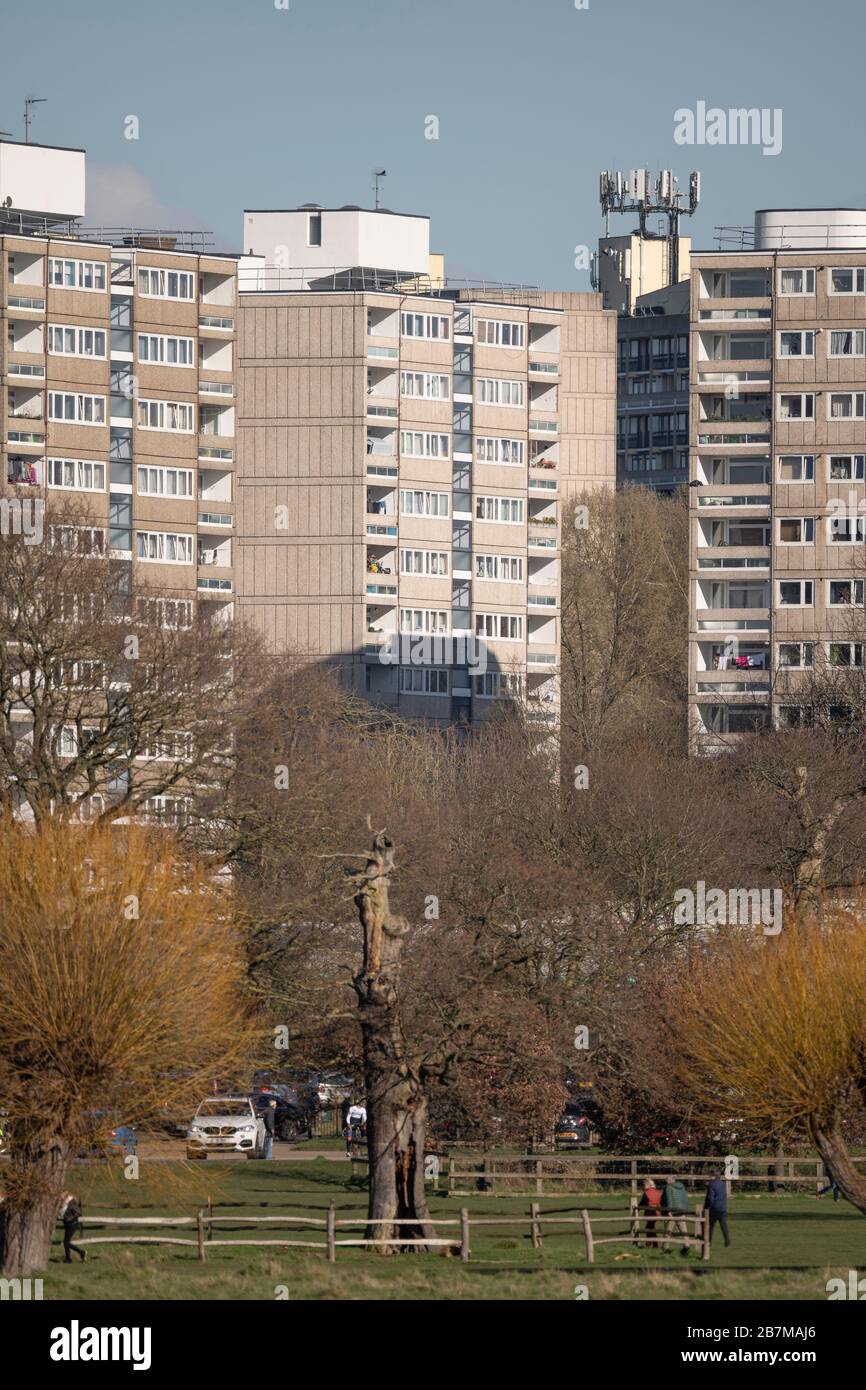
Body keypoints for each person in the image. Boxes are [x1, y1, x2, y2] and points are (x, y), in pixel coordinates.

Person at [661, 1174, 692, 1254]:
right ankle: (687, 1245)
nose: (666, 1182)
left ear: (669, 1181)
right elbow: (685, 1198)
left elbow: (669, 1199)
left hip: (672, 1212)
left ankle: (665, 1248)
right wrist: (685, 1209)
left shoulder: (668, 1187)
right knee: (684, 1230)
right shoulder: (682, 1187)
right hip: (681, 1211)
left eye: (666, 1181)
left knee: (668, 1230)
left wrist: (669, 1211)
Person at [703, 1171, 731, 1248]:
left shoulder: (711, 1185)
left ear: (714, 1176)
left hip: (714, 1209)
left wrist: (707, 1208)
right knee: (723, 1225)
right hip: (723, 1208)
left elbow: (710, 1198)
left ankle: (709, 1242)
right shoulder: (723, 1184)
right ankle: (727, 1240)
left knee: (710, 1226)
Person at [58, 1192, 86, 1263]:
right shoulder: (64, 1203)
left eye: (62, 1196)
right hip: (68, 1224)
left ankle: (80, 1253)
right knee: (66, 1242)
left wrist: (71, 1219)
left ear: (65, 1196)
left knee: (66, 1242)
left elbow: (78, 1212)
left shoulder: (71, 1202)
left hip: (72, 1224)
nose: (61, 1197)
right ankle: (69, 1258)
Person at [638, 1177, 663, 1247]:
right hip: (657, 1212)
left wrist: (637, 1209)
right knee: (650, 1227)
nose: (644, 1186)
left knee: (650, 1228)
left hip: (650, 1212)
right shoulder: (658, 1192)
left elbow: (642, 1203)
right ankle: (652, 1244)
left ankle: (651, 1244)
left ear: (648, 1185)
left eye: (645, 1184)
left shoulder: (647, 1193)